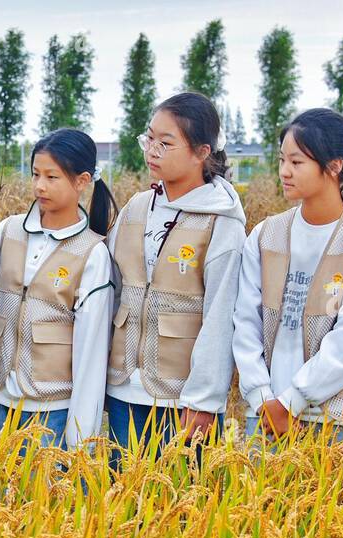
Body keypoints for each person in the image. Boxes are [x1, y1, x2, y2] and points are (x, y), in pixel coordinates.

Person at [232, 108, 343, 443]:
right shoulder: (265, 235)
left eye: (297, 162)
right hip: (266, 413)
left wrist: (293, 400)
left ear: (334, 166)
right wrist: (263, 397)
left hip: (336, 420)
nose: (284, 172)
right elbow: (246, 321)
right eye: (282, 160)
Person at [104, 92, 246, 466]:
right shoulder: (137, 207)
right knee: (121, 500)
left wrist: (203, 400)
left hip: (179, 397)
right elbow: (111, 290)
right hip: (123, 387)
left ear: (202, 152)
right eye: (149, 139)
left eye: (166, 143)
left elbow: (221, 317)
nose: (152, 150)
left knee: (177, 508)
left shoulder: (222, 222)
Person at [0, 127, 116, 454]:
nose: (39, 186)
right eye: (35, 174)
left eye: (52, 177)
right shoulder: (7, 233)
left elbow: (91, 351)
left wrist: (80, 437)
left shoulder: (92, 253)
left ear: (82, 181)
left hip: (52, 414)